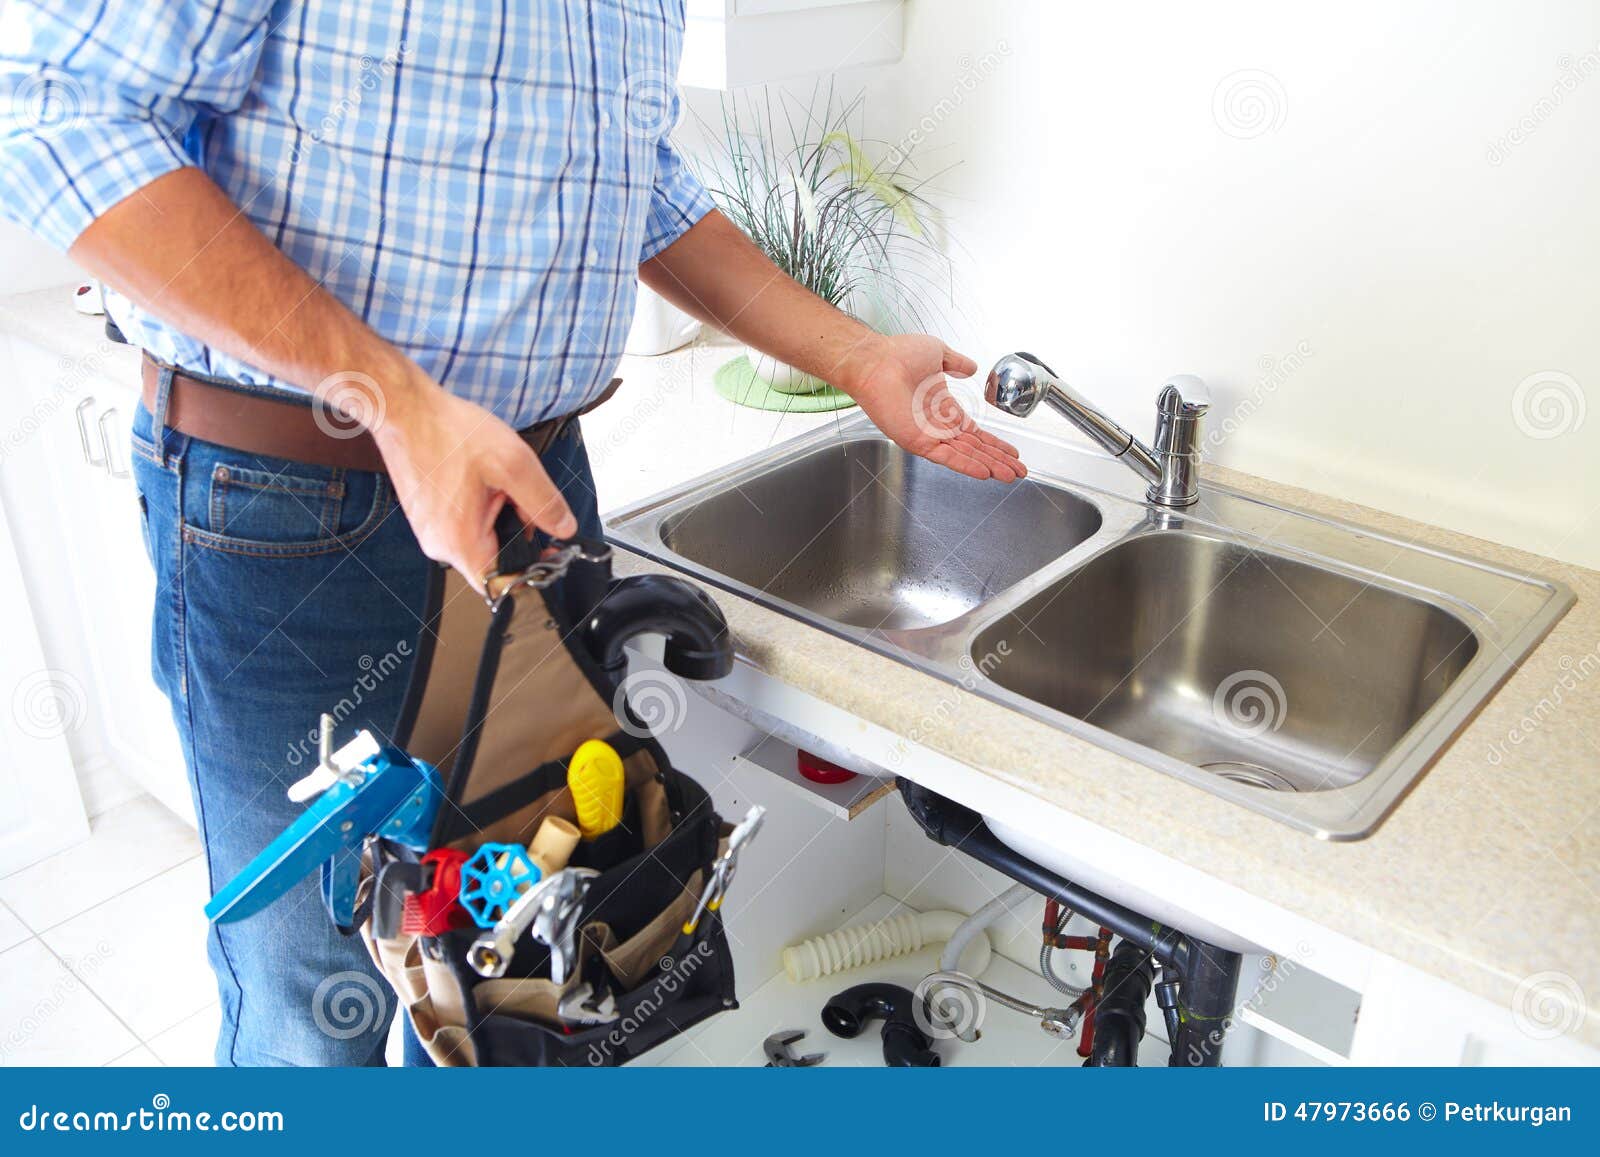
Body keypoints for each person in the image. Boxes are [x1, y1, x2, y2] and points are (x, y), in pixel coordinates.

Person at [0, 0, 1026, 1065]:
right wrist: (397, 402)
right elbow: (57, 114)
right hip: (299, 500)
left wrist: (852, 354)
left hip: (535, 493)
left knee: (528, 950)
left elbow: (650, 192)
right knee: (316, 996)